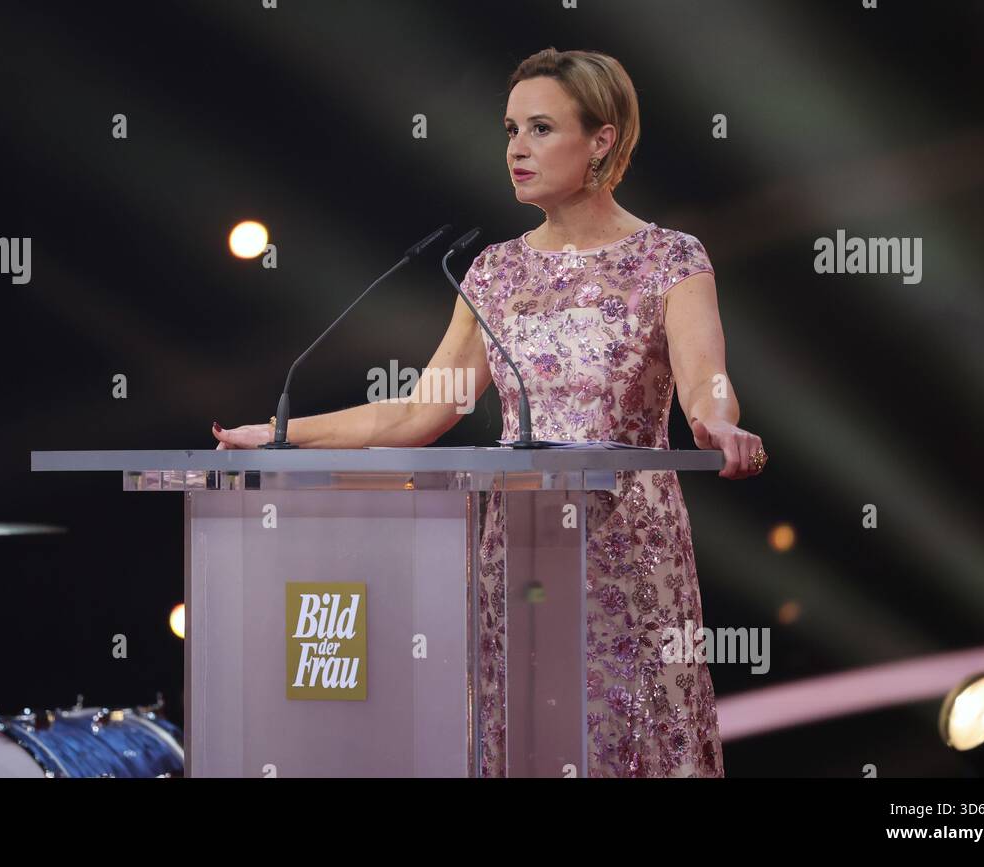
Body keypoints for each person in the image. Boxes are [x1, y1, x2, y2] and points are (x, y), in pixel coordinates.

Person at [213, 47, 766, 778]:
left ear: (602, 140)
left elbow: (707, 380)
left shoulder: (671, 259)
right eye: (510, 129)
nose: (516, 149)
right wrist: (283, 436)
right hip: (520, 550)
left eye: (540, 129)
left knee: (627, 739)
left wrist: (715, 421)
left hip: (626, 549)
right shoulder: (494, 271)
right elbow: (421, 411)